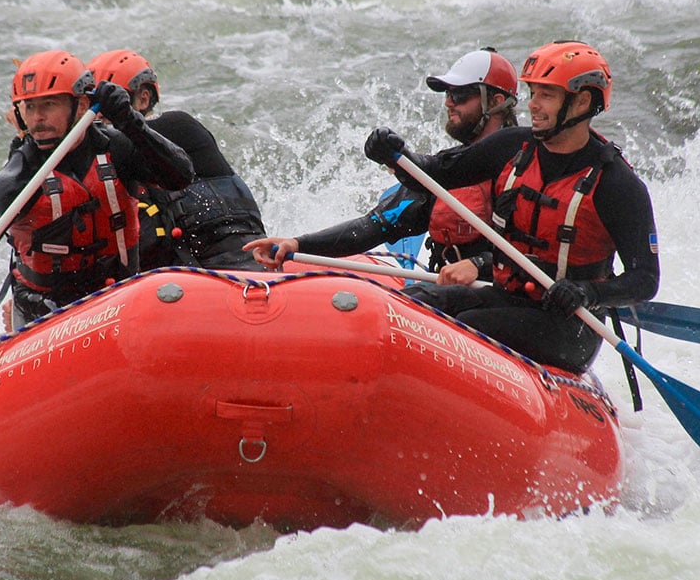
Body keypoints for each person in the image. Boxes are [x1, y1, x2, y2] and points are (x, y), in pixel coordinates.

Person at [362, 40, 660, 374]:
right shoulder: (513, 147)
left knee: (467, 324)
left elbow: (645, 280)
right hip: (505, 296)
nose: (533, 105)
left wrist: (587, 291)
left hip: (568, 325)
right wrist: (396, 154)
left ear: (581, 102)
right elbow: (436, 173)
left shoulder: (617, 184)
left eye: (546, 95)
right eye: (533, 93)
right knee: (412, 301)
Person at [0, 49, 195, 331]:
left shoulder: (116, 149)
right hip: (44, 316)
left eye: (48, 105)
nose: (37, 119)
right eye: (30, 107)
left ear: (81, 105)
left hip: (119, 297)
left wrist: (130, 122)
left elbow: (181, 175)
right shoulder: (20, 173)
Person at [244, 47, 519, 287]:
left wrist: (478, 264)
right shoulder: (446, 169)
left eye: (461, 95)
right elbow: (374, 227)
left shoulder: (521, 169)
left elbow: (537, 253)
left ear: (495, 102)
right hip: (448, 292)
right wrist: (297, 244)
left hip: (496, 295)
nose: (449, 102)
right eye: (448, 93)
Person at [87, 49, 267, 271]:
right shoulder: (105, 158)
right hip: (173, 275)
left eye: (107, 105)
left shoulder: (178, 126)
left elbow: (122, 141)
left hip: (235, 260)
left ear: (143, 98)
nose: (96, 116)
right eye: (90, 106)